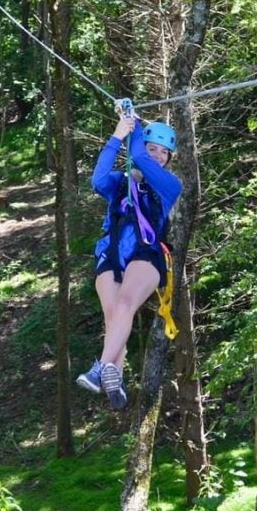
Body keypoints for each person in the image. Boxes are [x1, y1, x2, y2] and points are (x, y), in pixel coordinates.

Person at [76, 106, 182, 409]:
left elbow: (136, 151)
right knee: (114, 317)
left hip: (146, 253)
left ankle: (100, 368)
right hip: (110, 252)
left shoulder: (169, 185)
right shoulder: (119, 182)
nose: (159, 155)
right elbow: (97, 179)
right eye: (153, 149)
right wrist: (117, 135)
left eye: (164, 152)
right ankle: (115, 374)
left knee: (125, 304)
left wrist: (132, 121)